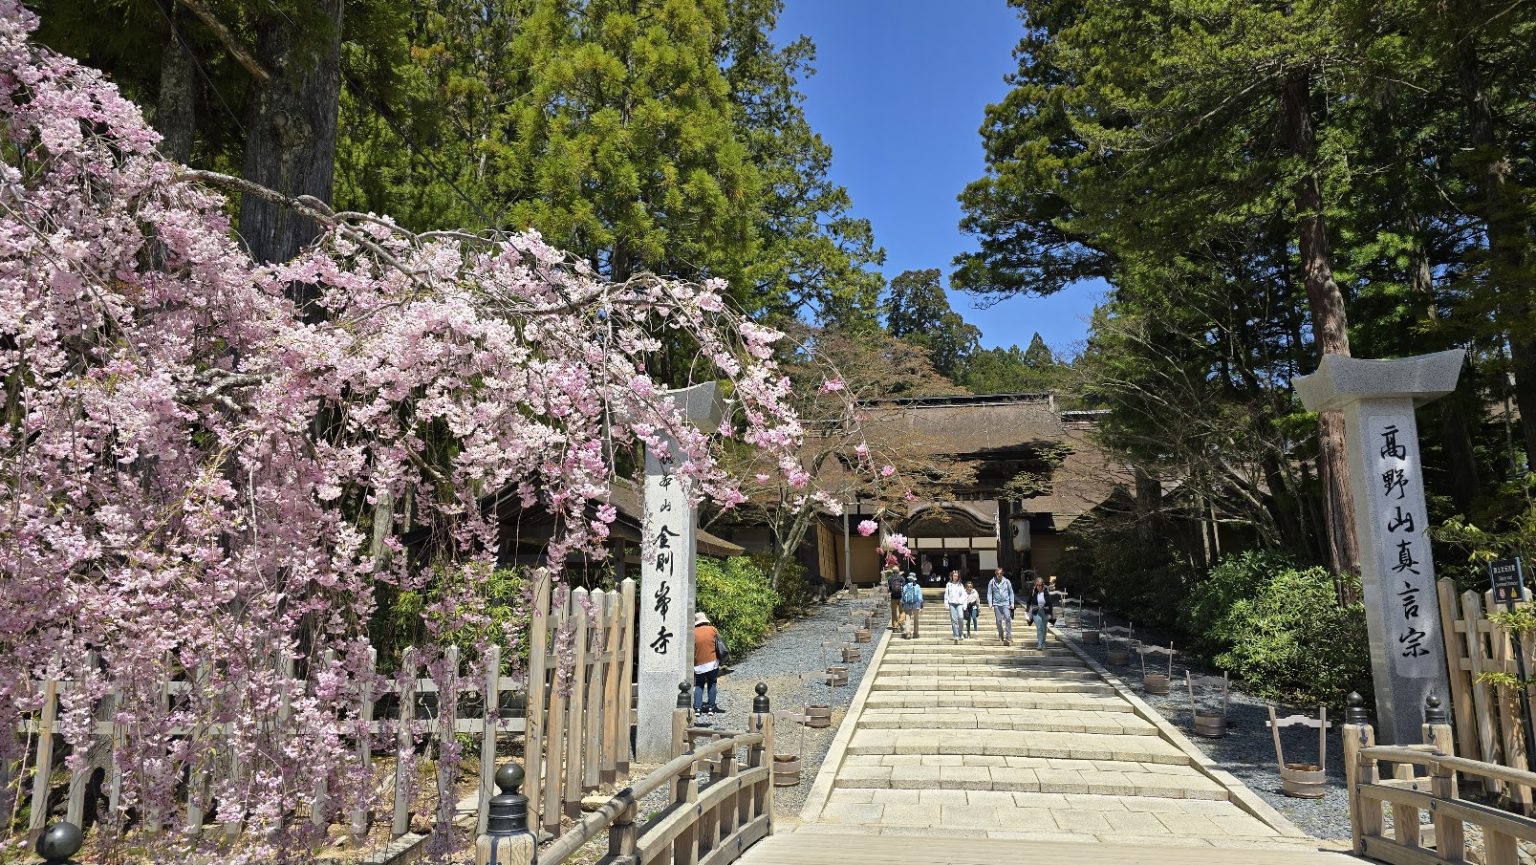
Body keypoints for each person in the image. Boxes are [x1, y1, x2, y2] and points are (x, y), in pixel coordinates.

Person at [693, 612, 723, 714]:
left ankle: (697, 708)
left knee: (699, 685)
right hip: (712, 662)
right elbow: (718, 644)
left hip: (699, 664)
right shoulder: (713, 630)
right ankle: (711, 708)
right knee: (712, 684)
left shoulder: (693, 632)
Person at [987, 568, 1015, 646]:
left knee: (1008, 618)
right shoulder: (992, 582)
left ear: (1002, 573)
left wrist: (1012, 603)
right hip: (997, 604)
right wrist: (990, 603)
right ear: (995, 574)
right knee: (999, 621)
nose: (999, 575)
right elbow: (989, 593)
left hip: (1006, 603)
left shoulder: (1007, 581)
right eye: (997, 574)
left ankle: (1008, 636)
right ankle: (1001, 633)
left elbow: (1011, 593)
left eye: (1000, 573)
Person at [1026, 575, 1054, 650]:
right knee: (1039, 627)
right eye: (1037, 585)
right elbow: (1028, 602)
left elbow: (1050, 603)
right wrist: (1028, 613)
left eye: (1040, 585)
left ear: (1042, 585)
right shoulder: (1033, 592)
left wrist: (1050, 614)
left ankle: (1043, 643)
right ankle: (1039, 644)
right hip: (1036, 611)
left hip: (1045, 611)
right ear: (1035, 585)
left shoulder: (1045, 592)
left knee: (1044, 628)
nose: (1038, 587)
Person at [944, 570, 968, 643]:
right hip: (952, 603)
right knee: (954, 620)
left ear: (958, 577)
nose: (955, 577)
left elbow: (964, 595)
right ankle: (956, 635)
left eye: (956, 576)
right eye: (954, 576)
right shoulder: (948, 584)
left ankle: (961, 633)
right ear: (952, 576)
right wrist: (946, 603)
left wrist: (964, 604)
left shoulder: (960, 585)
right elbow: (946, 594)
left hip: (959, 604)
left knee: (961, 617)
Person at [900, 573, 924, 639]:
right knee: (916, 619)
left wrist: (902, 603)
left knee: (907, 619)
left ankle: (908, 633)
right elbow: (920, 597)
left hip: (907, 604)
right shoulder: (917, 586)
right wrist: (921, 605)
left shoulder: (905, 586)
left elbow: (902, 596)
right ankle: (916, 634)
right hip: (916, 605)